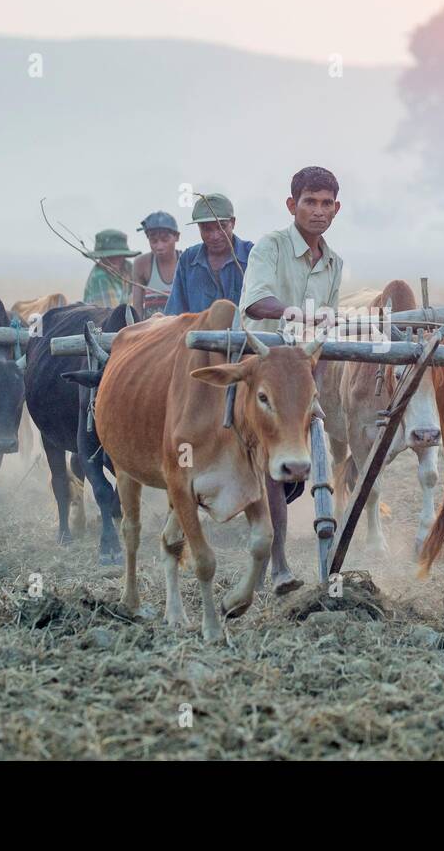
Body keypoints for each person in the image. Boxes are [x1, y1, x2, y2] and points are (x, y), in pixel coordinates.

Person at [240, 166, 344, 593]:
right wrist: (296, 313)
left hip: (301, 377)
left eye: (326, 204)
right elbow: (255, 302)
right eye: (309, 202)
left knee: (291, 473)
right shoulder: (271, 246)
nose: (318, 211)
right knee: (271, 464)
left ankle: (279, 549)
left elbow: (323, 335)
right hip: (261, 368)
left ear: (336, 209)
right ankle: (279, 564)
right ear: (292, 205)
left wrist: (312, 388)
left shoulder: (334, 263)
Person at [163, 193, 254, 315]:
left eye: (221, 227)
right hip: (197, 334)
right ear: (199, 228)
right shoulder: (188, 260)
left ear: (233, 223)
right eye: (207, 229)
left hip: (245, 334)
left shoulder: (252, 255)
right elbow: (174, 313)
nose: (215, 236)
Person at [131, 211, 181, 318]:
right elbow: (137, 309)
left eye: (165, 239)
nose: (159, 246)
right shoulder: (142, 264)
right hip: (152, 330)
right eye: (154, 241)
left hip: (180, 329)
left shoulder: (186, 261)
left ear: (177, 237)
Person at [82, 228, 140, 308]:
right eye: (109, 257)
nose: (114, 260)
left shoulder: (128, 268)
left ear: (123, 255)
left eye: (117, 256)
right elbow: (110, 314)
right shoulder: (99, 276)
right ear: (101, 257)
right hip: (101, 318)